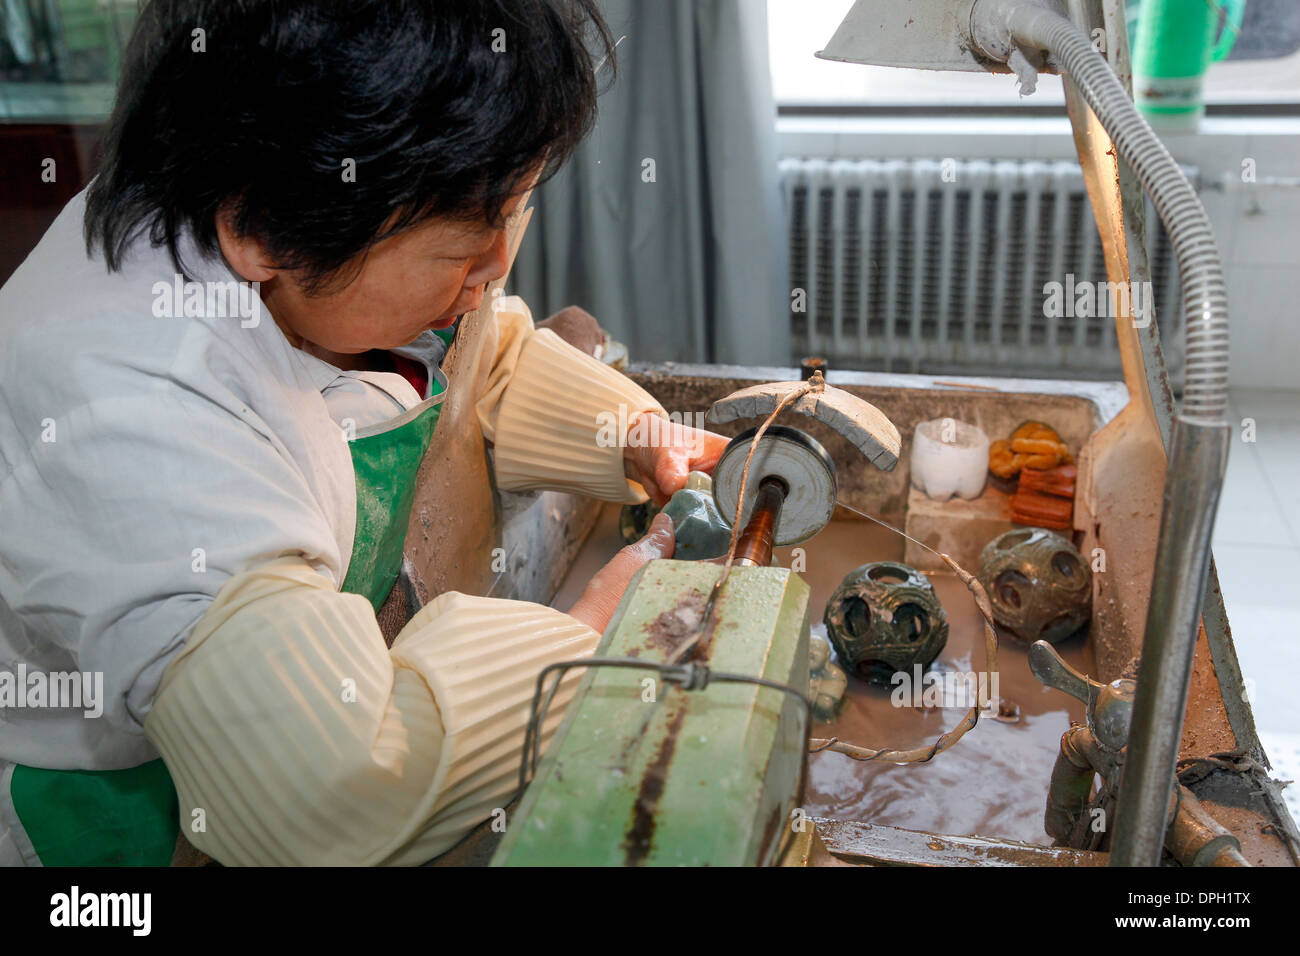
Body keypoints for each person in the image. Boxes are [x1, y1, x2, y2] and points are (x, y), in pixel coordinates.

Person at [0, 0, 726, 866]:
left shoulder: (317, 220)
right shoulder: (132, 416)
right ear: (262, 229)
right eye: (469, 237)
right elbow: (318, 794)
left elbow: (467, 362)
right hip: (120, 796)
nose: (498, 264)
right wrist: (594, 643)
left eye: (517, 208)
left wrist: (629, 432)